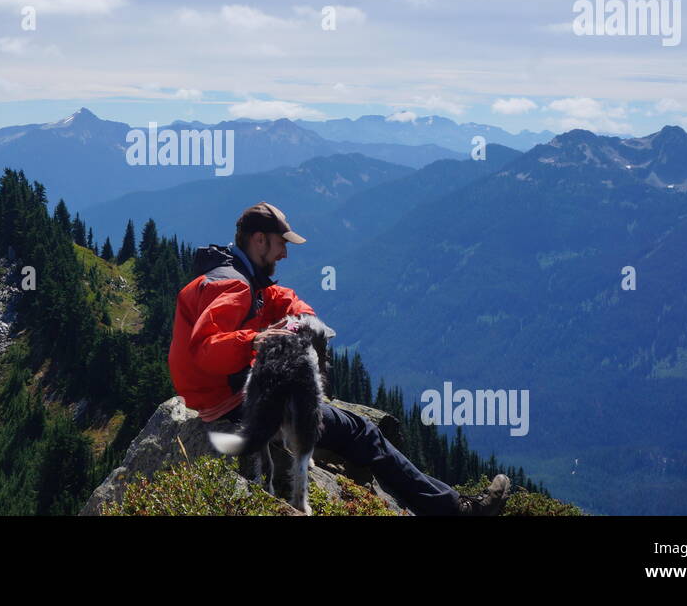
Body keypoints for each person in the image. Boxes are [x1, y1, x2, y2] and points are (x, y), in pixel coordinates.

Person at [168, 201, 510, 515]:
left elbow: (279, 297)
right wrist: (254, 340)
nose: (285, 253)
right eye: (281, 243)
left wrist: (304, 319)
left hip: (223, 395)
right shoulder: (234, 287)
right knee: (362, 431)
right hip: (233, 404)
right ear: (259, 240)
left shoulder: (235, 275)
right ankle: (455, 509)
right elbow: (205, 350)